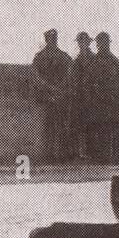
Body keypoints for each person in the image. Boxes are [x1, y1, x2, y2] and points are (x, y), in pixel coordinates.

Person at [29, 29, 73, 163]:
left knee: (54, 126)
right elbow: (68, 77)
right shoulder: (63, 57)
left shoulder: (40, 57)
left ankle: (53, 155)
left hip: (50, 97)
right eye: (51, 38)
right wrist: (57, 89)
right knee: (56, 126)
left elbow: (36, 78)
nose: (52, 41)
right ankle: (57, 155)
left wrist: (50, 89)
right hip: (56, 97)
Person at [86, 31, 119, 164]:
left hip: (112, 104)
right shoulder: (97, 62)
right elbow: (89, 84)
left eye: (103, 43)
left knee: (114, 134)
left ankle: (115, 160)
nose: (102, 45)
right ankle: (106, 160)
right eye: (100, 43)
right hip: (102, 104)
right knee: (103, 134)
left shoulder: (113, 62)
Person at [66, 32, 95, 162]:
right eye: (79, 42)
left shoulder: (93, 59)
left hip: (89, 98)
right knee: (77, 126)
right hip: (78, 98)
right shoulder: (77, 59)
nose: (81, 44)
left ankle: (88, 153)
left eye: (83, 42)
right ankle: (80, 153)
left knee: (89, 126)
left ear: (88, 43)